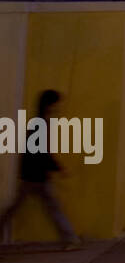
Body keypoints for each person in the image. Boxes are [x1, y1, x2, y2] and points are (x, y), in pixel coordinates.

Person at [1, 89, 81, 249]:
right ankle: (71, 239)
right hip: (36, 176)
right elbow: (42, 152)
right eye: (55, 105)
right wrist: (58, 168)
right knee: (53, 208)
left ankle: (71, 239)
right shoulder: (41, 124)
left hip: (30, 175)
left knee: (14, 208)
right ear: (49, 105)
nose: (57, 109)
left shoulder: (38, 123)